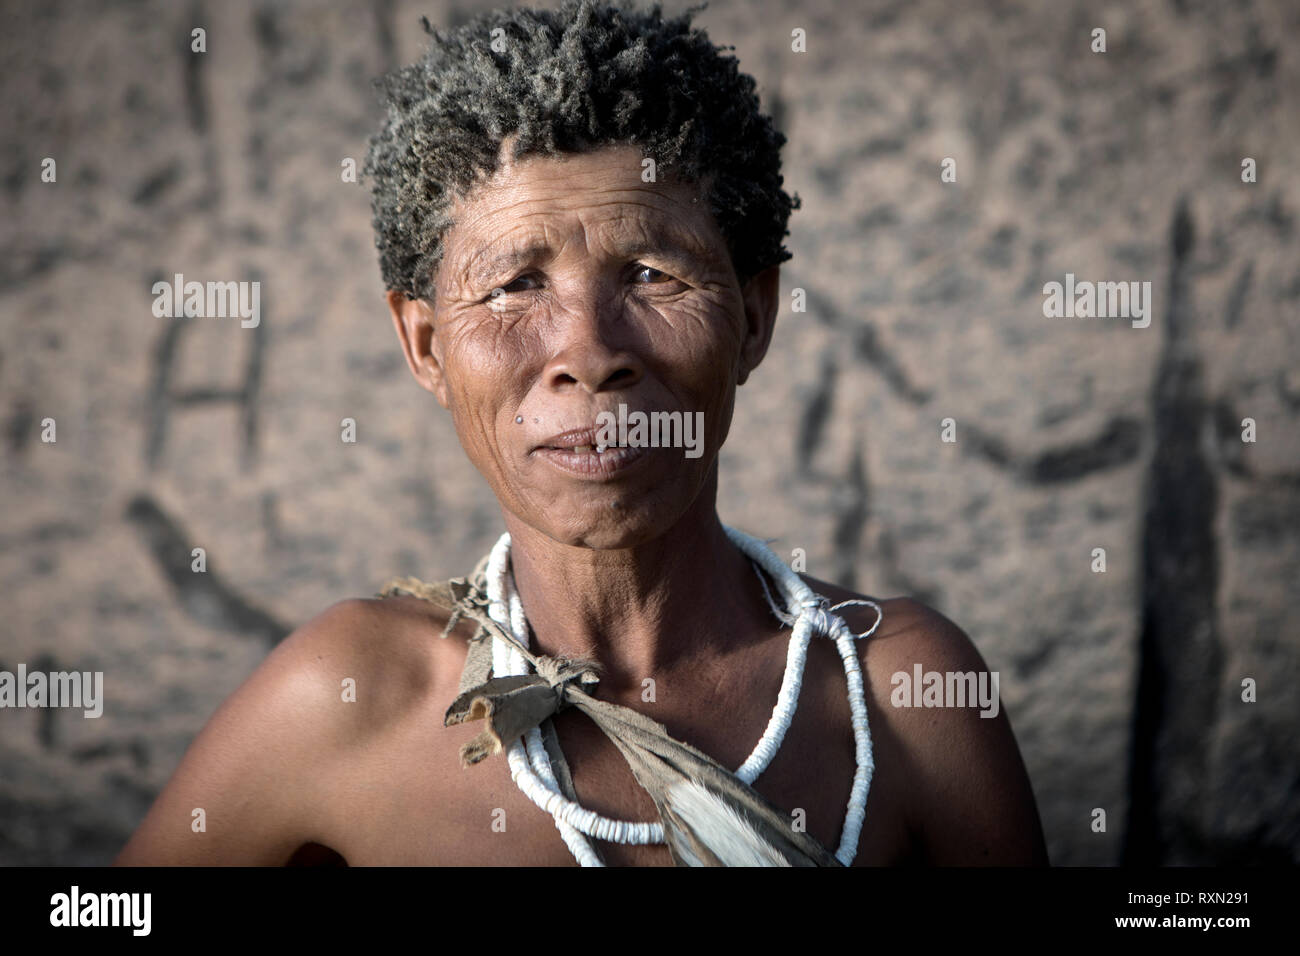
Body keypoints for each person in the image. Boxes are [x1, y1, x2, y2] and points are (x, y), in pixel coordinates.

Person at [115, 0, 1047, 866]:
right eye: (517, 285)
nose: (589, 353)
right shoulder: (346, 703)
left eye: (651, 274)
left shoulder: (902, 696)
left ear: (754, 319)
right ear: (426, 344)